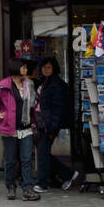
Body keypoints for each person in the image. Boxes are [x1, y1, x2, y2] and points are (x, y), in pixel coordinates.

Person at [0, 58, 40, 201]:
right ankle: (11, 186)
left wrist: (35, 121)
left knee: (26, 159)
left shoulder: (29, 84)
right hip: (10, 128)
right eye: (23, 68)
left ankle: (27, 188)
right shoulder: (4, 86)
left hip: (26, 128)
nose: (26, 70)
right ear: (16, 69)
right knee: (10, 160)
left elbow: (33, 105)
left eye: (26, 68)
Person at [35, 57, 77, 192]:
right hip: (42, 123)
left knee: (43, 153)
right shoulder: (45, 83)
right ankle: (66, 174)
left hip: (49, 125)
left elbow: (57, 109)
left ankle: (43, 183)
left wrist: (52, 127)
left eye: (49, 67)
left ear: (54, 69)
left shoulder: (56, 85)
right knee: (43, 153)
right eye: (44, 67)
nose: (46, 70)